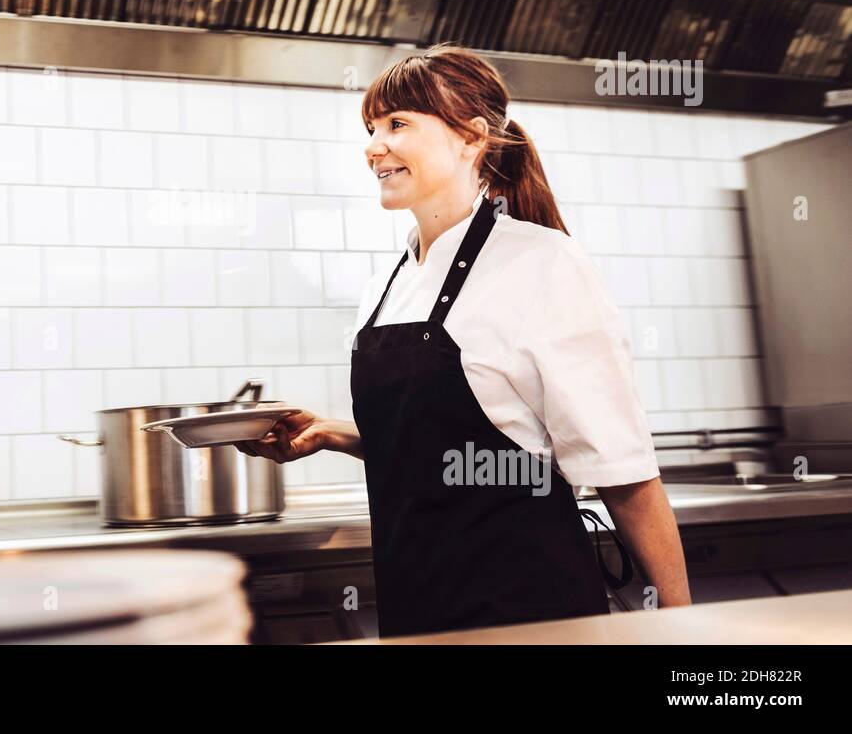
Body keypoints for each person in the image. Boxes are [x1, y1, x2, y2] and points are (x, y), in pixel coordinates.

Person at [238, 44, 691, 638]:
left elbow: (622, 469)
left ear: (471, 137)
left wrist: (684, 631)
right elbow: (447, 453)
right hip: (417, 608)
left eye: (397, 124)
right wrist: (335, 434)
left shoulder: (541, 262)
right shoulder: (386, 284)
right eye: (372, 128)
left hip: (529, 612)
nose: (374, 146)